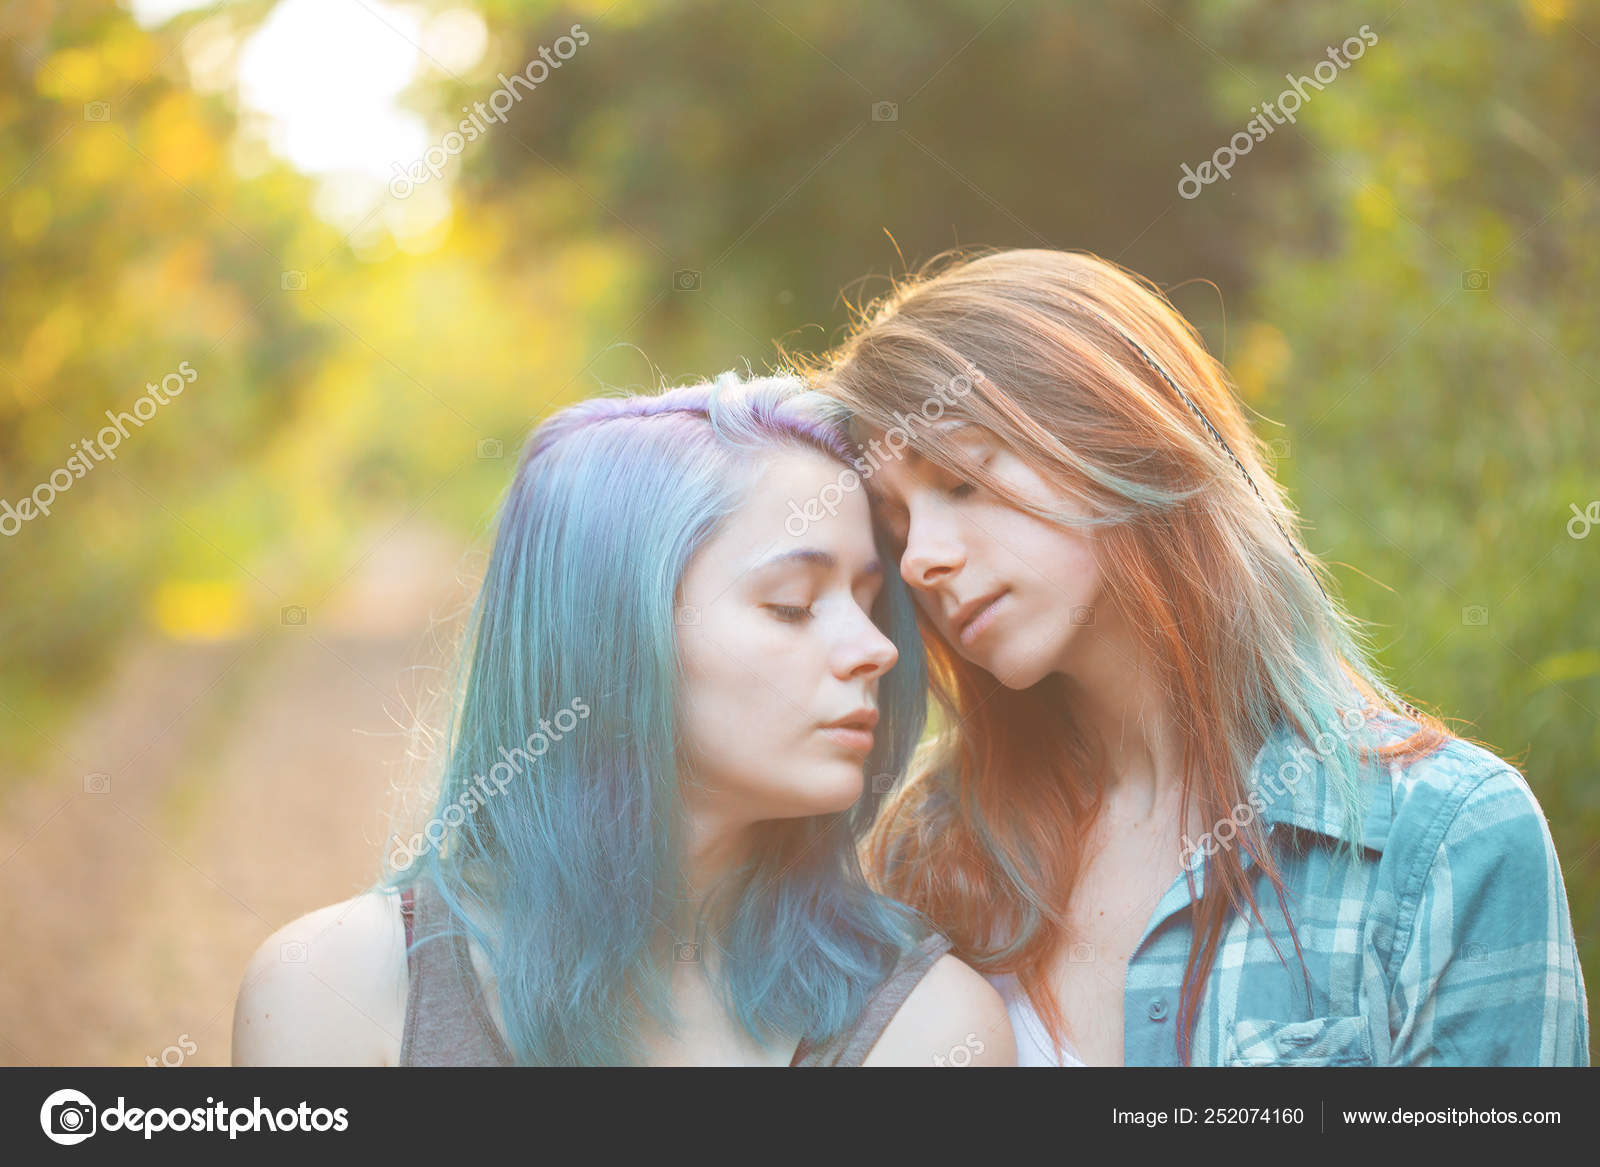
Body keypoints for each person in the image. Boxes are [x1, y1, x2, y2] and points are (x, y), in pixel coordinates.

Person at [811, 247, 1589, 1065]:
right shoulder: (919, 843)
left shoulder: (1446, 841)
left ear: (1122, 434)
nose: (919, 560)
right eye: (896, 527)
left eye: (963, 482)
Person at [232, 372, 1015, 1067]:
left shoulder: (929, 1028)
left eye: (871, 601)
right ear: (605, 634)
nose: (876, 648)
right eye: (793, 604)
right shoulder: (330, 991)